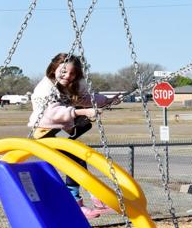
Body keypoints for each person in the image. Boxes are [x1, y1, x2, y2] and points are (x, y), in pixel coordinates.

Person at [29, 52, 122, 217]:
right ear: (53, 69)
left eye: (72, 73)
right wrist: (83, 112)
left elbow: (87, 98)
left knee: (78, 160)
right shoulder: (45, 87)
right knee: (75, 161)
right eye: (63, 71)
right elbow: (53, 113)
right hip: (44, 132)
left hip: (60, 132)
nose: (67, 76)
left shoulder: (70, 86)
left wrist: (107, 100)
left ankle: (90, 198)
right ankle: (84, 200)